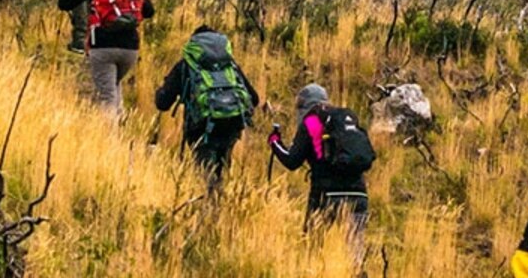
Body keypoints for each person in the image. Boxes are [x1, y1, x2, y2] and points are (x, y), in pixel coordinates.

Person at [267, 83, 374, 248]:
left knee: (312, 247)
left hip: (326, 194)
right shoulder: (345, 119)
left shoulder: (311, 122)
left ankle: (316, 274)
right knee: (355, 254)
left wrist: (275, 142)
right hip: (358, 193)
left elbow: (292, 161)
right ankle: (356, 274)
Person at [153, 25, 258, 190]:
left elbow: (162, 103)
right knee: (221, 171)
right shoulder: (229, 65)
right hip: (231, 126)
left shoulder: (186, 65)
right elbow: (255, 99)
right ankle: (220, 206)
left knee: (204, 175)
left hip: (200, 128)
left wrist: (160, 90)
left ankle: (207, 208)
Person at [70, 0, 152, 116]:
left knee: (106, 98)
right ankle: (121, 132)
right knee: (114, 87)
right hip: (130, 47)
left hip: (102, 45)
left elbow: (65, 3)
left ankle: (109, 141)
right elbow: (150, 11)